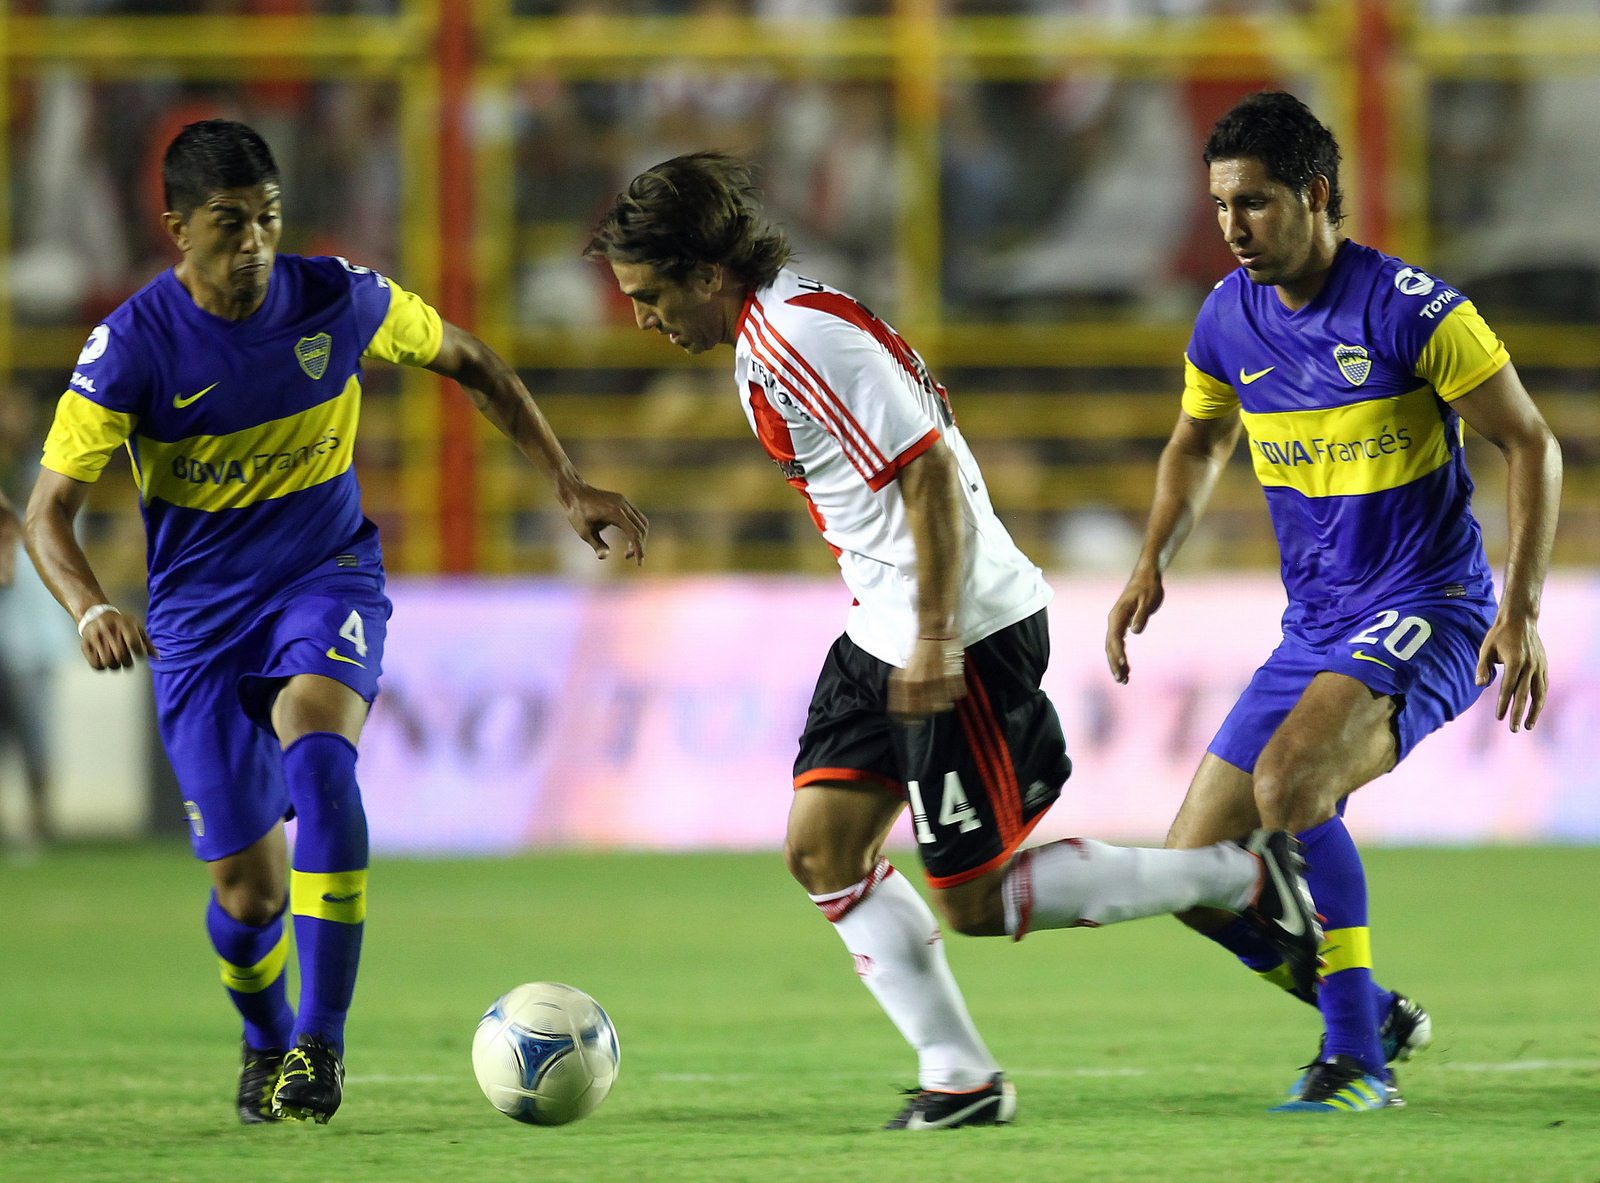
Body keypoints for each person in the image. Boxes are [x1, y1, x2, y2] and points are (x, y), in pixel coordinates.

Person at [585, 151, 1322, 1131]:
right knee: (822, 849)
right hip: (887, 621)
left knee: (974, 900)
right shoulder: (774, 325)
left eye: (647, 295)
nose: (642, 317)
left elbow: (927, 474)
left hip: (959, 626)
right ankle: (960, 1078)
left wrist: (933, 639)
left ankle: (1233, 873)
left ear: (706, 276)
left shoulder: (798, 334)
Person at [22, 119, 649, 1126]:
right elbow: (49, 509)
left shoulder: (338, 298)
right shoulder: (132, 347)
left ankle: (320, 1043)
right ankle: (265, 1036)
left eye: (268, 218)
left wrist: (565, 483)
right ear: (176, 227)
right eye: (229, 225)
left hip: (326, 577)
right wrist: (91, 602)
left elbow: (472, 359)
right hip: (198, 624)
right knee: (247, 895)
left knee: (322, 761)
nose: (256, 243)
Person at [1106, 91, 1562, 1113]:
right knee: (1188, 874)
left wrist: (1519, 609)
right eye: (1221, 204)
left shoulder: (1411, 307)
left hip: (1426, 602)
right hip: (1312, 625)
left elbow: (1529, 441)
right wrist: (1151, 560)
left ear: (1316, 195)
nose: (1230, 228)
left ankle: (1357, 1059)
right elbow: (1195, 440)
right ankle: (1358, 999)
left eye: (1255, 204)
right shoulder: (1227, 315)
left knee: (1291, 784)